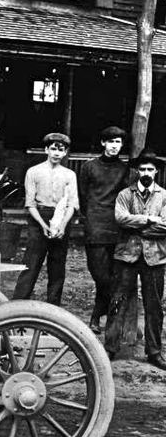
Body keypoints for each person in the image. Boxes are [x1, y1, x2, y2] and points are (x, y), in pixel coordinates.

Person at [106, 148, 166, 370]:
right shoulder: (125, 195)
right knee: (117, 301)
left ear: (156, 171)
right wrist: (149, 219)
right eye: (142, 168)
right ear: (137, 171)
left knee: (154, 306)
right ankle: (110, 348)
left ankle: (154, 352)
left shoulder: (164, 195)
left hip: (155, 257)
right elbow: (121, 219)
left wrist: (139, 228)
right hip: (127, 255)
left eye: (150, 168)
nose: (146, 172)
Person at [12, 132, 79, 305]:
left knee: (57, 266)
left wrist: (63, 225)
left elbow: (72, 203)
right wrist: (42, 225)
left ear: (65, 153)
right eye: (53, 149)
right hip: (38, 218)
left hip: (61, 218)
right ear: (46, 150)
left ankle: (53, 307)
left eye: (61, 150)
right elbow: (30, 203)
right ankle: (18, 307)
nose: (57, 153)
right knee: (31, 263)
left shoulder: (69, 175)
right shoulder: (34, 172)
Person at [78, 126, 130, 333]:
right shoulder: (89, 167)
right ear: (103, 143)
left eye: (118, 142)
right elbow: (83, 196)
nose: (114, 146)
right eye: (111, 142)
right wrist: (89, 219)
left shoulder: (125, 169)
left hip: (116, 227)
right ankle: (105, 314)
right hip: (95, 226)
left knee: (113, 275)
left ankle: (96, 318)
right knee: (100, 275)